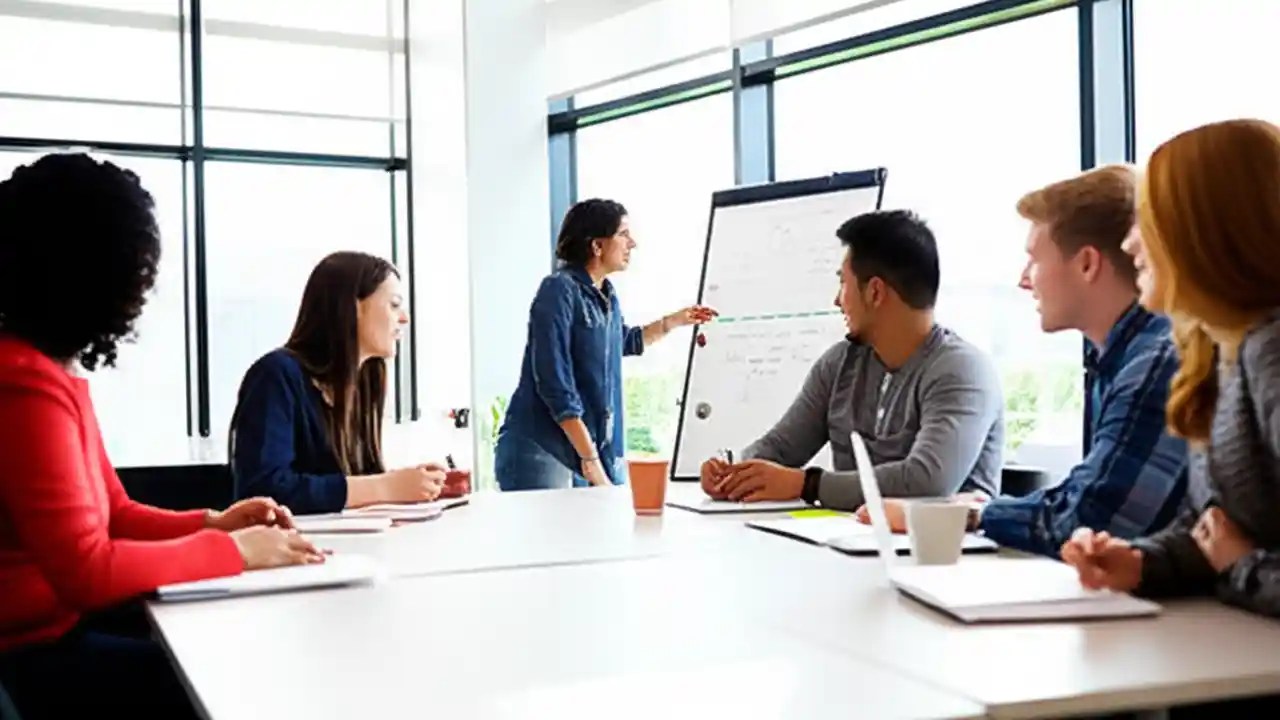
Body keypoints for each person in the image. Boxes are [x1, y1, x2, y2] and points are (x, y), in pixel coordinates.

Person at [0, 153, 321, 719]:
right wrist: (233, 551)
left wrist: (212, 523)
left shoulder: (49, 372)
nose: (145, 288)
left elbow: (115, 515)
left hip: (56, 633)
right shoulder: (23, 385)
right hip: (29, 658)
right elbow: (86, 571)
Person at [856, 166, 1188, 557]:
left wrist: (971, 516)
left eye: (1034, 260)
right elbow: (1085, 490)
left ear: (1086, 264)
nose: (1023, 280)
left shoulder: (1154, 362)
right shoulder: (1121, 361)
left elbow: (1091, 517)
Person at [1061, 119, 1280, 619]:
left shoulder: (1272, 350)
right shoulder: (1218, 352)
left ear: (1206, 227)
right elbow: (1210, 534)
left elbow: (1232, 551)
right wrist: (1142, 563)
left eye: (1148, 219)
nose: (1131, 243)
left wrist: (1243, 566)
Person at [700, 209, 1004, 509]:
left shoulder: (962, 370)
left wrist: (806, 484)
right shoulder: (839, 364)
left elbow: (928, 481)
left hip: (940, 554)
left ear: (874, 292)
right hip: (851, 545)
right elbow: (780, 448)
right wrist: (732, 473)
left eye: (843, 283)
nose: (836, 300)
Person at [496, 199, 717, 490]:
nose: (632, 243)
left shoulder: (607, 296)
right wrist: (591, 461)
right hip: (543, 450)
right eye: (623, 234)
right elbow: (554, 384)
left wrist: (673, 322)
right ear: (597, 246)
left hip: (583, 453)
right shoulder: (558, 290)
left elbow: (623, 342)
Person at [231, 251, 451, 515]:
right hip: (292, 550)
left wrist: (412, 486)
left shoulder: (367, 380)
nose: (404, 318)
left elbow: (352, 482)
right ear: (354, 307)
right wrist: (385, 487)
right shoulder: (276, 375)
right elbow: (264, 491)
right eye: (393, 304)